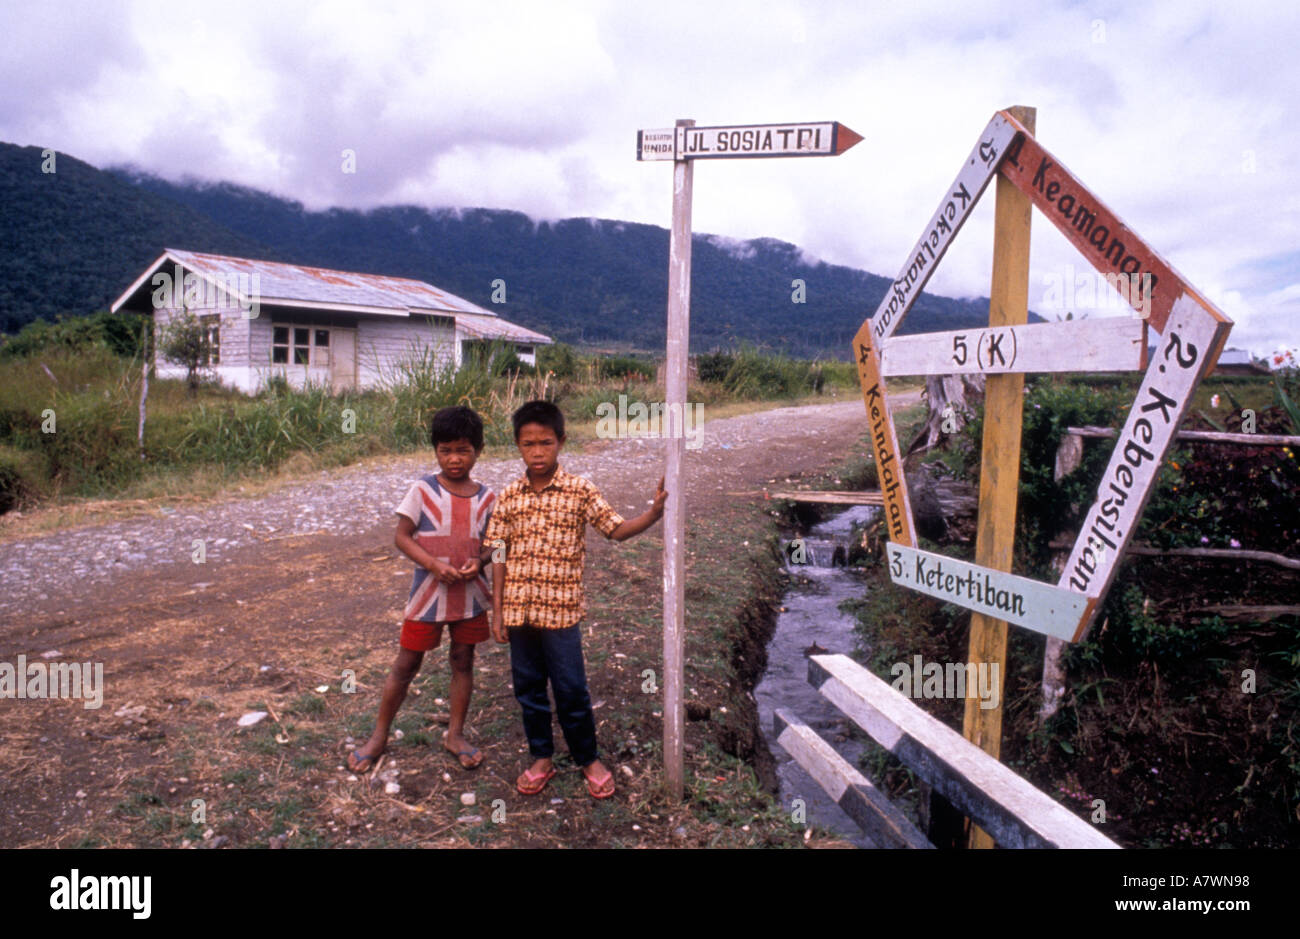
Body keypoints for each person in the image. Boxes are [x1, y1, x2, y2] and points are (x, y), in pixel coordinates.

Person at [485, 400, 666, 798]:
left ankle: (588, 758)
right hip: (519, 613)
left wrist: (653, 514)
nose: (537, 452)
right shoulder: (509, 496)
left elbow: (615, 529)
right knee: (528, 689)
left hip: (562, 614)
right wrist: (496, 610)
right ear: (517, 445)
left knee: (570, 689)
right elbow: (497, 552)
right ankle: (541, 758)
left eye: (545, 443)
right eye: (528, 444)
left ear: (561, 442)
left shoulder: (580, 490)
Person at [347, 406, 496, 773]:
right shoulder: (422, 490)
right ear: (435, 450)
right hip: (428, 595)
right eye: (445, 450)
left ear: (478, 450)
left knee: (464, 661)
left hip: (470, 595)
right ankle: (379, 736)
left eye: (463, 450)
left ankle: (455, 734)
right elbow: (402, 536)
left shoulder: (489, 497)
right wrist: (433, 565)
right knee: (406, 663)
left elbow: (496, 543)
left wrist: (482, 561)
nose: (454, 459)